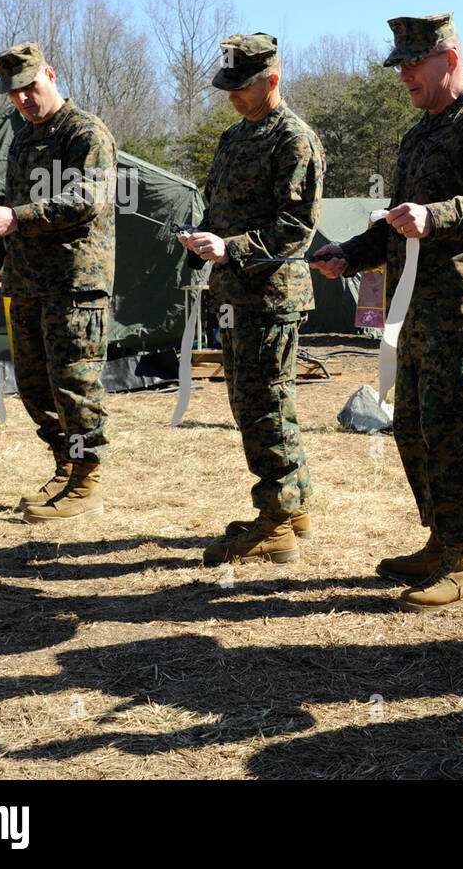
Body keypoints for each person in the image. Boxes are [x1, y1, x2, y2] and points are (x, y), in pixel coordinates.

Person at [312, 13, 463, 612]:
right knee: (412, 425)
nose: (403, 75)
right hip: (411, 309)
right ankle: (439, 540)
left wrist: (438, 216)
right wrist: (349, 256)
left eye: (413, 64)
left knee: (453, 429)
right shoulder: (417, 134)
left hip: (459, 307)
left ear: (449, 59)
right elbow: (396, 222)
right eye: (399, 65)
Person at [184, 33, 324, 567]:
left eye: (241, 87)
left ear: (273, 79)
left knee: (264, 408)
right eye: (227, 87)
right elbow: (219, 213)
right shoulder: (234, 138)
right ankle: (294, 502)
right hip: (232, 296)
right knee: (252, 406)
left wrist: (231, 247)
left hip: (270, 298)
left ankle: (275, 523)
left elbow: (295, 229)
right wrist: (198, 238)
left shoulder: (293, 140)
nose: (232, 97)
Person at [0, 42, 116, 524]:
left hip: (74, 284)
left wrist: (14, 218)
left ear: (51, 75)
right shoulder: (22, 140)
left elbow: (86, 198)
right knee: (36, 388)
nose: (23, 100)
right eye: (14, 94)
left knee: (74, 385)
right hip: (26, 283)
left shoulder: (85, 132)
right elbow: (10, 209)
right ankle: (66, 466)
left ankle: (88, 481)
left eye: (30, 88)